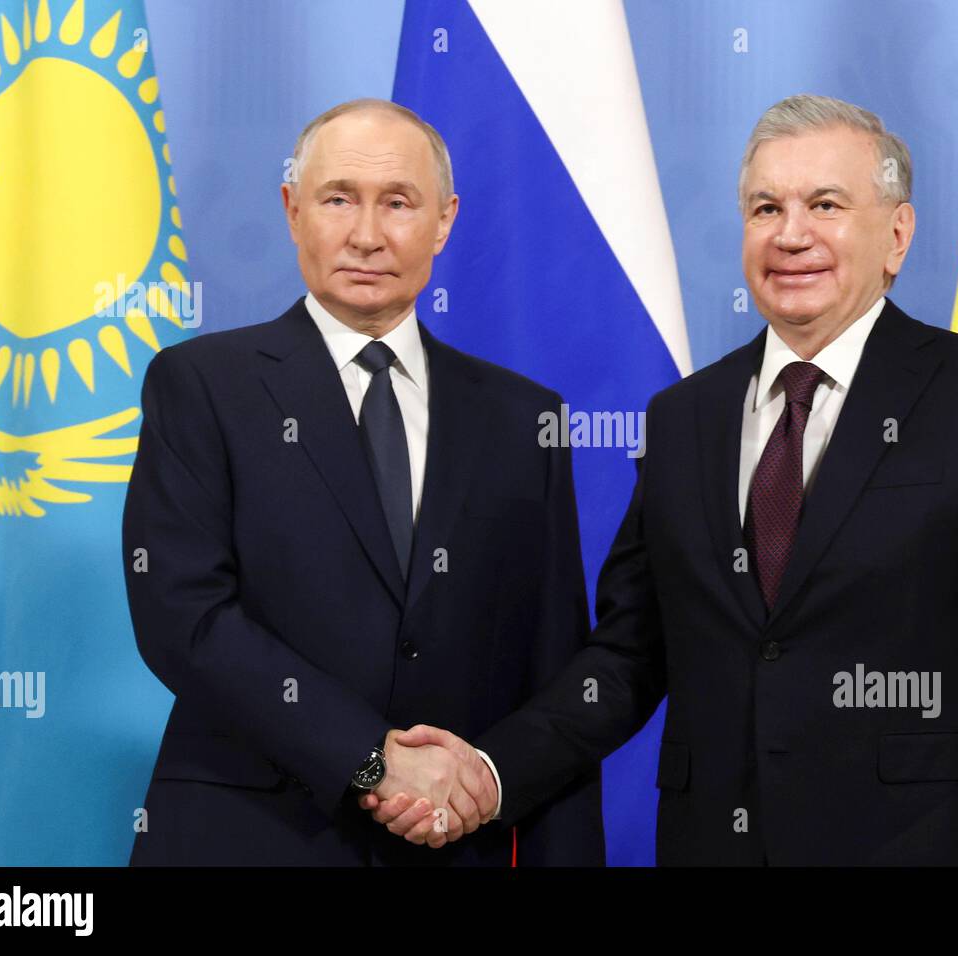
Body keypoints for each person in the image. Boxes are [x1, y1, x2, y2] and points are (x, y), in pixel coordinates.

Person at [367, 93, 958, 865]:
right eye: (765, 208)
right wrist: (488, 770)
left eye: (825, 204)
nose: (790, 235)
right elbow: (626, 657)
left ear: (896, 234)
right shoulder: (684, 417)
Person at [123, 98, 602, 866]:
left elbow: (554, 672)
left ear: (444, 221)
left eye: (399, 203)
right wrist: (371, 760)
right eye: (339, 198)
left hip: (452, 847)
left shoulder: (524, 420)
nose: (367, 235)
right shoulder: (201, 386)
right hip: (249, 842)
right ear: (292, 210)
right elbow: (185, 619)